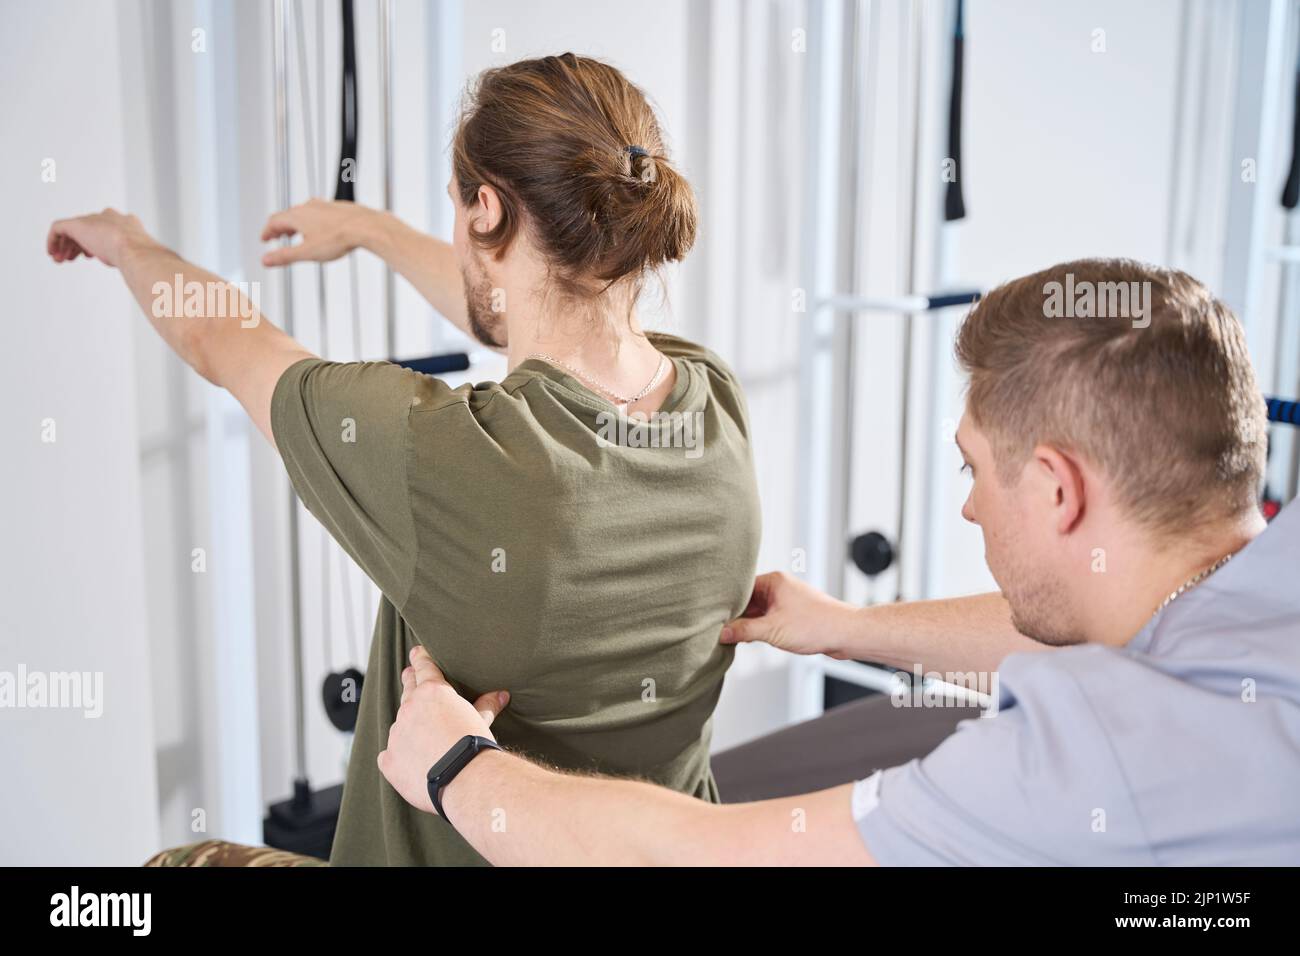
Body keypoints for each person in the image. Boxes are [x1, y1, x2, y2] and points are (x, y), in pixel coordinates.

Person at [47, 53, 761, 865]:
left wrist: (129, 242)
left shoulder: (445, 455)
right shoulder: (713, 403)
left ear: (485, 208)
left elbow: (224, 339)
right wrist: (368, 231)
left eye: (460, 206)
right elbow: (524, 315)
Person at [377, 259, 1300, 865]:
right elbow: (1134, 639)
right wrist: (847, 631)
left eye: (973, 467)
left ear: (1060, 491)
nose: (970, 502)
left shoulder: (1088, 761)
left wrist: (458, 765)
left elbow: (706, 860)